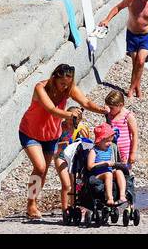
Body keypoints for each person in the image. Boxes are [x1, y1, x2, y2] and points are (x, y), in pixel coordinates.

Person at [17, 63, 107, 220]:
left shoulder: (69, 88)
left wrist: (100, 109)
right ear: (54, 78)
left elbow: (85, 102)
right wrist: (70, 115)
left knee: (42, 172)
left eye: (68, 84)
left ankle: (33, 202)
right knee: (39, 166)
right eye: (62, 83)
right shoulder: (41, 88)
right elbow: (51, 109)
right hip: (30, 132)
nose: (65, 87)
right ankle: (31, 204)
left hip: (51, 135)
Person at [87, 123, 127, 207]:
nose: (109, 143)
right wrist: (104, 163)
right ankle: (110, 198)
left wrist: (120, 163)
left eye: (111, 141)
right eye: (107, 141)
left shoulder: (109, 149)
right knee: (108, 174)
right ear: (99, 141)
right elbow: (89, 166)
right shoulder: (94, 151)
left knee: (119, 171)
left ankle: (122, 196)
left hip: (108, 173)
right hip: (96, 176)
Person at [103, 90, 138, 175]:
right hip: (111, 149)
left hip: (124, 151)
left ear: (121, 105)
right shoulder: (110, 115)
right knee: (112, 171)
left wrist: (133, 153)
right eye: (108, 107)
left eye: (112, 108)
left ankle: (125, 186)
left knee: (124, 171)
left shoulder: (127, 116)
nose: (110, 110)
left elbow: (134, 134)